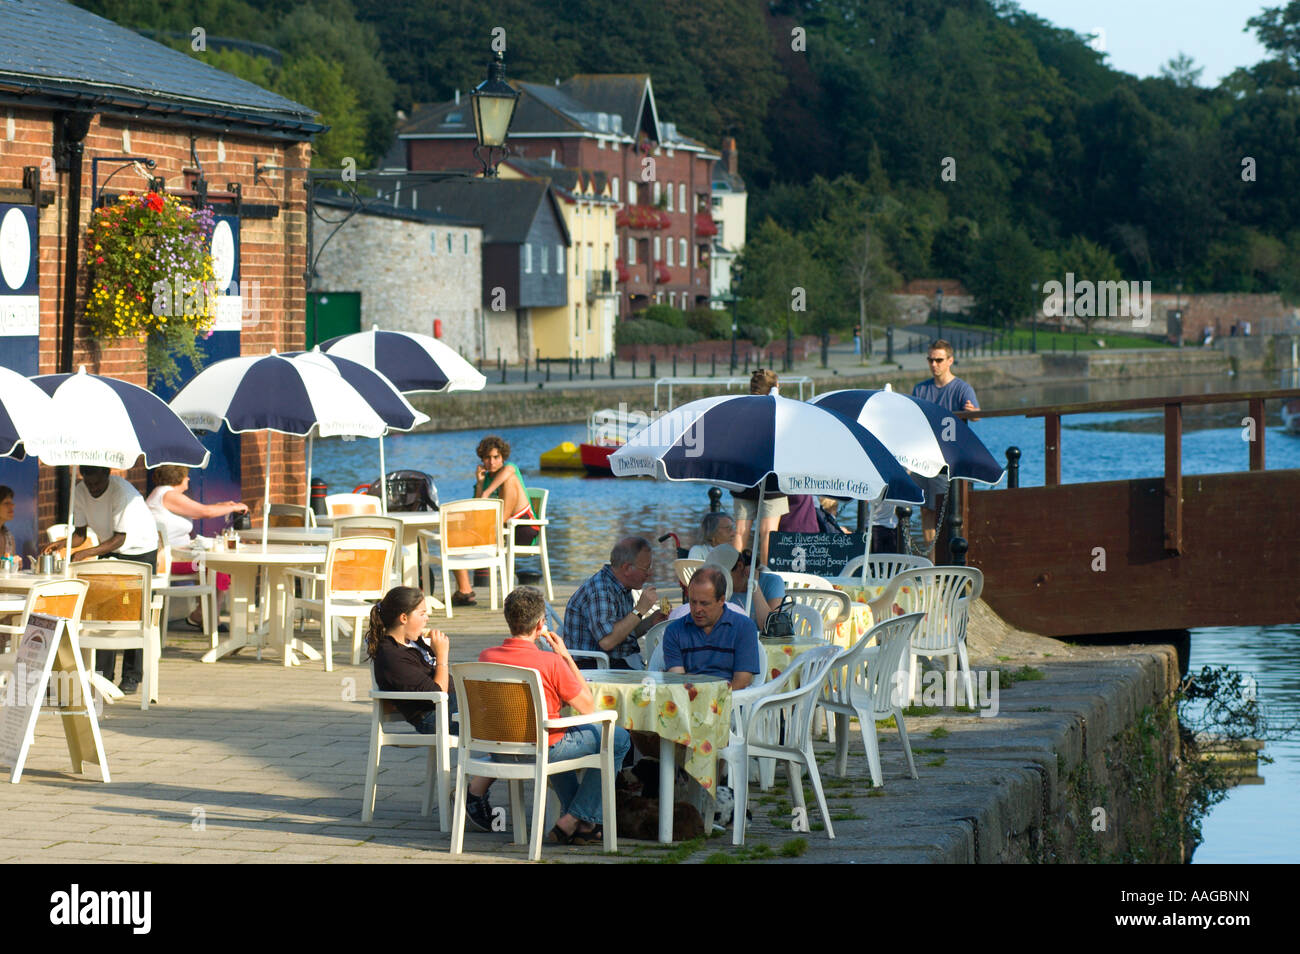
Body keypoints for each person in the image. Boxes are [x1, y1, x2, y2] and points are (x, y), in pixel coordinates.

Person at [477, 586, 631, 844]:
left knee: (555, 735)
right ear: (540, 625)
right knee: (618, 738)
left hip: (500, 749)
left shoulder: (486, 657)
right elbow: (588, 707)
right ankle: (577, 817)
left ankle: (582, 826)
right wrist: (566, 656)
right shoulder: (551, 662)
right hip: (543, 749)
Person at [43, 466, 158, 693]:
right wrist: (61, 544)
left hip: (139, 548)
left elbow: (120, 538)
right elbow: (80, 534)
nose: (93, 488)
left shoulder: (121, 492)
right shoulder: (80, 491)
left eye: (97, 484)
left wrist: (87, 553)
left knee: (135, 612)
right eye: (89, 483)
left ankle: (132, 676)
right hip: (109, 545)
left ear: (107, 476)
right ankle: (104, 674)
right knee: (105, 611)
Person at [146, 465, 247, 630]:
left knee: (209, 564)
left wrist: (223, 505)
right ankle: (209, 619)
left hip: (177, 557)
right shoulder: (169, 495)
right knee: (217, 565)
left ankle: (201, 614)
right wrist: (234, 507)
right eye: (186, 476)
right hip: (172, 561)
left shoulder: (162, 493)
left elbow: (196, 510)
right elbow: (205, 512)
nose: (188, 479)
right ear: (177, 478)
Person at [449, 435, 536, 608]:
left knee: (509, 480)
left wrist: (486, 492)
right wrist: (480, 484)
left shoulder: (510, 469)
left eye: (496, 457)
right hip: (495, 533)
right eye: (487, 458)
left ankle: (498, 524)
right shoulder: (485, 479)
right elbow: (476, 511)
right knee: (452, 537)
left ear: (502, 457)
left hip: (522, 528)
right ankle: (465, 591)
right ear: (482, 460)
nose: (492, 462)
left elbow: (508, 472)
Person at [912, 340, 979, 545]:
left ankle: (953, 553)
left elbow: (976, 415)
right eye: (930, 360)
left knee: (948, 509)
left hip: (949, 460)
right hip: (924, 458)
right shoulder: (921, 389)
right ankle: (931, 557)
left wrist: (973, 412)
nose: (934, 364)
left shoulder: (962, 389)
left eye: (939, 360)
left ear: (950, 360)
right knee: (926, 510)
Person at [564, 536, 666, 669]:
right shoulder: (601, 590)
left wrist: (651, 621)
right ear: (627, 568)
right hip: (594, 667)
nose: (650, 573)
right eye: (646, 568)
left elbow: (623, 632)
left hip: (615, 662)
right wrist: (640, 609)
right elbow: (607, 641)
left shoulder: (622, 586)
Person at [663, 566, 761, 689]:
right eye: (693, 602)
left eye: (704, 603)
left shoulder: (744, 627)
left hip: (731, 698)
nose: (697, 609)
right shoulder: (674, 631)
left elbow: (742, 682)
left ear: (721, 600)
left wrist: (710, 695)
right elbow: (678, 683)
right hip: (689, 697)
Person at [731, 369, 787, 567]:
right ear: (776, 387)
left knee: (740, 531)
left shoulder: (741, 409)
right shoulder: (780, 409)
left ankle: (733, 575)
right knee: (768, 532)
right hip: (772, 480)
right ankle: (765, 577)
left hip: (745, 478)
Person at [666, 544, 774, 630]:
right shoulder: (740, 615)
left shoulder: (678, 614)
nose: (715, 581)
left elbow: (768, 627)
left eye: (720, 575)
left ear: (740, 566)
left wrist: (754, 584)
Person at [0, 485, 15, 557]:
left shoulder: (8, 536)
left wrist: (15, 560)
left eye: (11, 503)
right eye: (6, 503)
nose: (12, 506)